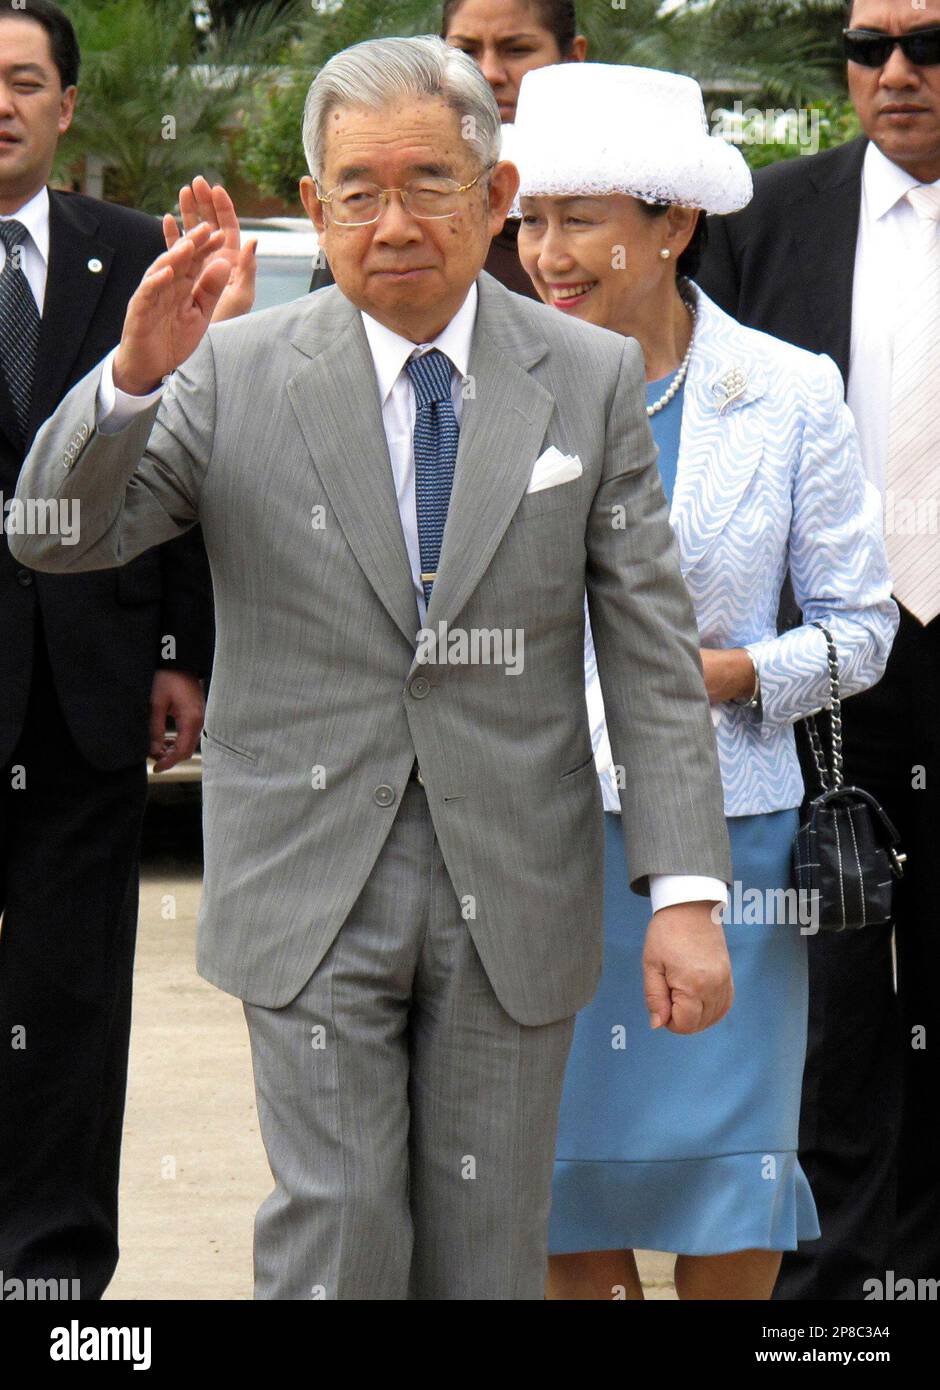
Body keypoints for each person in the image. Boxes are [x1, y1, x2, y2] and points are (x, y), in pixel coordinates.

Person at [14, 35, 735, 1301]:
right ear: (315, 208)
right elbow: (54, 536)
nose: (389, 221)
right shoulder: (231, 374)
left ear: (496, 197)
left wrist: (682, 890)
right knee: (337, 1231)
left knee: (487, 1247)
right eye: (355, 190)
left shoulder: (585, 377)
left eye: (427, 183)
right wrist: (131, 378)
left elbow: (649, 652)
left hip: (512, 875)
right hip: (306, 875)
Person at [511, 60, 898, 1299]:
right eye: (527, 218)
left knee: (728, 1184)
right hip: (538, 849)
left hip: (733, 853)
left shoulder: (788, 393)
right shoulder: (489, 389)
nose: (546, 253)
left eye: (579, 219)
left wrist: (737, 671)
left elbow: (861, 626)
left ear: (671, 223)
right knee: (565, 1186)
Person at [698, 0, 940, 1296]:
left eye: (928, 44)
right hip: (826, 667)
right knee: (834, 988)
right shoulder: (767, 222)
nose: (896, 72)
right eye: (870, 47)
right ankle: (837, 1286)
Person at [0, 0, 216, 1298]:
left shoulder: (129, 253)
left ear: (67, 106)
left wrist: (185, 647)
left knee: (72, 1001)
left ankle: (51, 1270)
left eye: (26, 80)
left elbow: (186, 467)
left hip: (88, 690)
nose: (2, 101)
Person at [309, 0, 586, 298]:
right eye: (466, 52)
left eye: (516, 49)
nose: (489, 72)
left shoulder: (614, 197)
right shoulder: (360, 223)